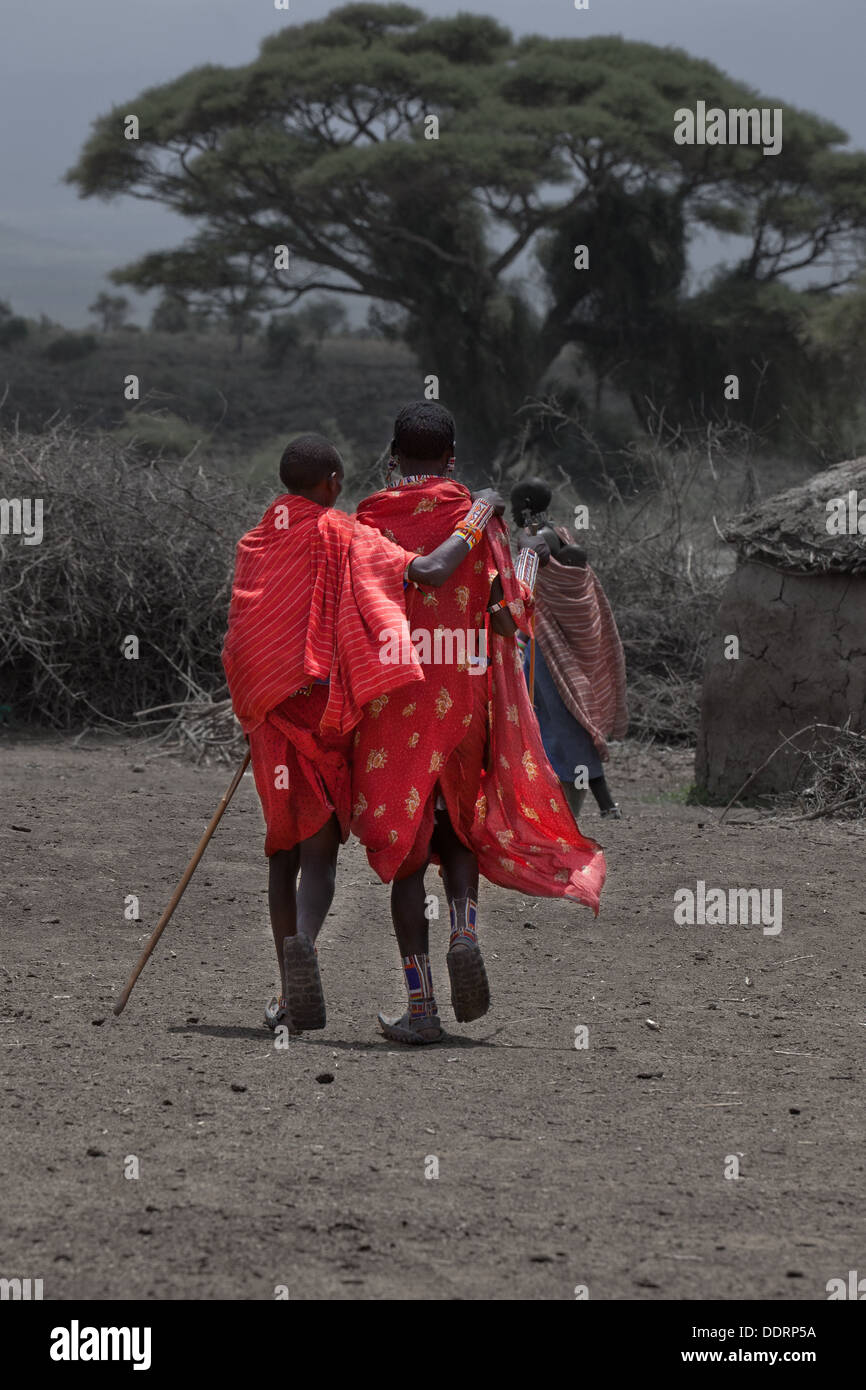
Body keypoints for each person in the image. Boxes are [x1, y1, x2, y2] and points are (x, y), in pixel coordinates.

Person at [221, 433, 504, 1035]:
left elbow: (253, 624)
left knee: (290, 849)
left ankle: (300, 976)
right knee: (427, 832)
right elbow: (453, 583)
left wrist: (260, 697)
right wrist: (482, 508)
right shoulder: (348, 530)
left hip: (278, 713)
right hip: (381, 709)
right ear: (333, 481)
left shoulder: (261, 539)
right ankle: (462, 929)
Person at [351, 405, 606, 1045]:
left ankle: (421, 1005)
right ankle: (464, 927)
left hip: (393, 705)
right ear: (452, 457)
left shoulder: (368, 519)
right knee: (457, 827)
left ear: (391, 457)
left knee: (408, 855)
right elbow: (506, 618)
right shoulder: (477, 516)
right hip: (462, 698)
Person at [511, 477, 628, 821]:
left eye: (518, 509)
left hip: (549, 645)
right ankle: (587, 802)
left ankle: (599, 803)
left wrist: (523, 539)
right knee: (555, 719)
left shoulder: (543, 537)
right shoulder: (562, 533)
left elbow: (528, 551)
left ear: (528, 507)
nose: (515, 515)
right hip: (548, 642)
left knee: (563, 721)